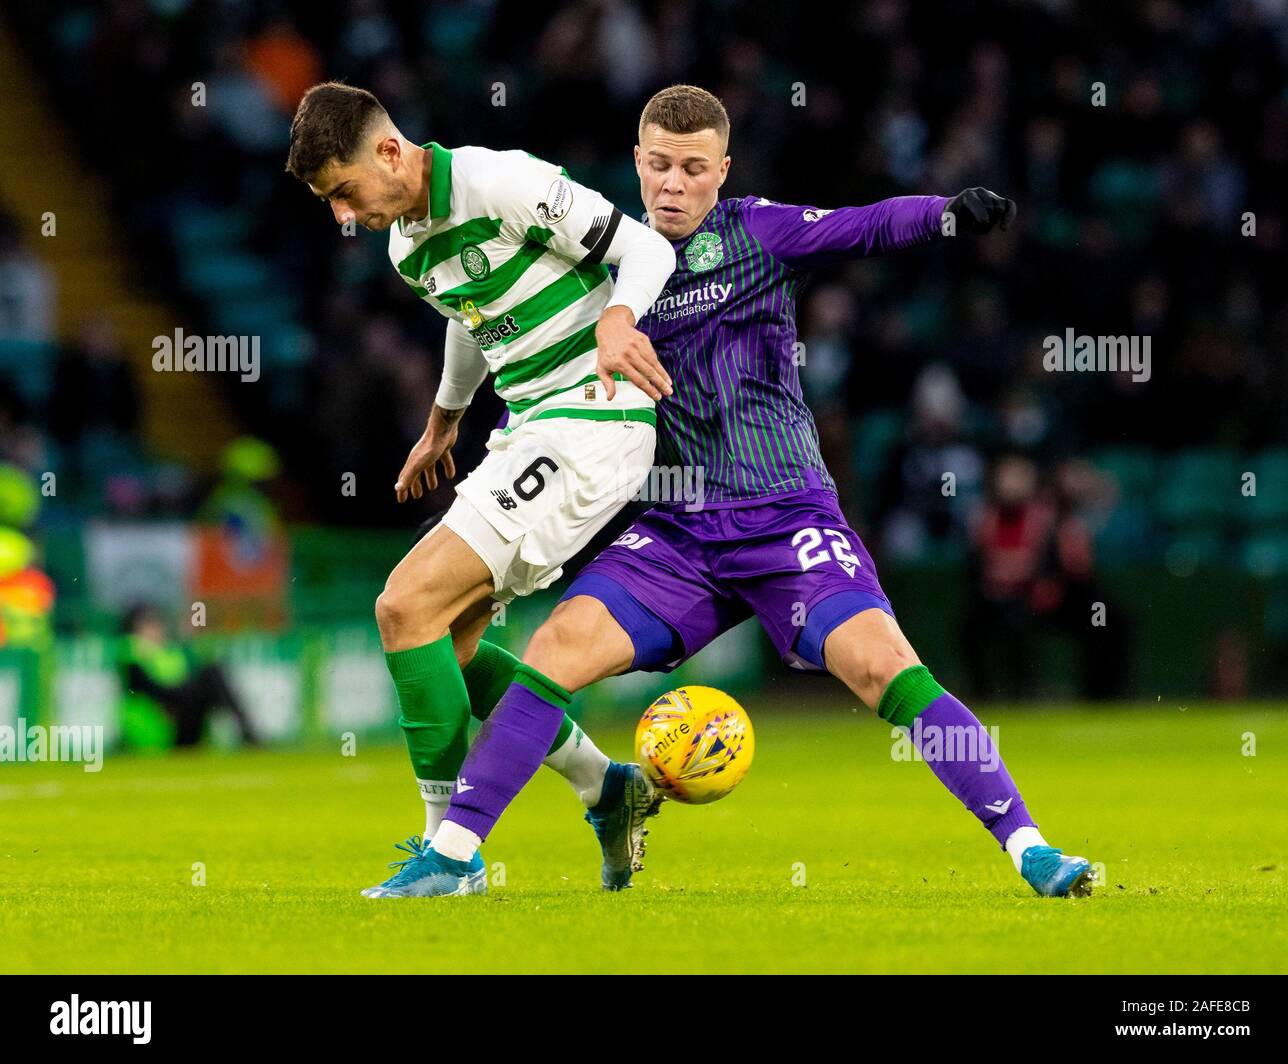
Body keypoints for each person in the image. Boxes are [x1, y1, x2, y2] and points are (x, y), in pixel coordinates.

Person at [410, 85, 1094, 898]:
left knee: (885, 668)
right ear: (637, 163)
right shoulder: (602, 259)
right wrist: (448, 417)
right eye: (658, 165)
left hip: (785, 515)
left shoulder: (758, 231)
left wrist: (945, 213)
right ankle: (452, 858)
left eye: (693, 169)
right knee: (553, 649)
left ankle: (1031, 849)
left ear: (721, 172)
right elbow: (487, 313)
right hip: (675, 531)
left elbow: (860, 225)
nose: (672, 184)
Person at [285, 83, 678, 896]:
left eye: (344, 191)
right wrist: (443, 422)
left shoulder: (500, 181)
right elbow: (472, 318)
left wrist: (619, 318)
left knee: (404, 607)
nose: (344, 216)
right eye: (329, 203)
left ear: (389, 151)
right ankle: (605, 785)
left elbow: (647, 250)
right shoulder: (405, 247)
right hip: (528, 425)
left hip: (593, 420)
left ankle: (447, 856)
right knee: (449, 651)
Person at [117, 604, 259, 750]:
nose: (155, 628)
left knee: (211, 673)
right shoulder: (131, 650)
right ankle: (248, 733)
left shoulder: (169, 652)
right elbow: (148, 688)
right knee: (210, 675)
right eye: (148, 624)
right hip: (152, 727)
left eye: (157, 622)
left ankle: (246, 733)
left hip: (176, 720)